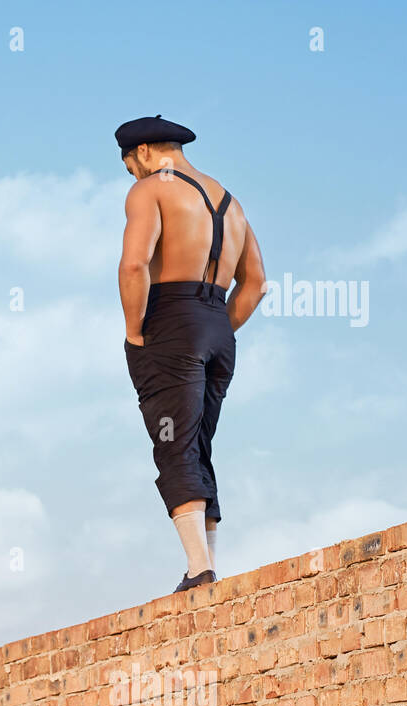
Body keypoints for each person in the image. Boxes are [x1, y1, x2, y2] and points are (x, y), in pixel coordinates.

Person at [115, 115, 267, 593]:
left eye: (129, 167)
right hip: (218, 324)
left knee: (173, 443)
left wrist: (136, 330)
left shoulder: (151, 189)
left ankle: (199, 570)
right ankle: (206, 568)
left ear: (140, 152)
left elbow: (135, 263)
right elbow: (257, 285)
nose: (132, 178)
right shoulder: (230, 201)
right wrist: (216, 326)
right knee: (198, 444)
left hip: (171, 321)